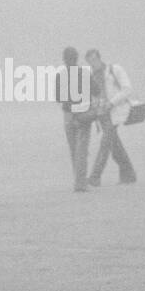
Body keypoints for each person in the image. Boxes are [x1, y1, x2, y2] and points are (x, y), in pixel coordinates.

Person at [85, 48, 137, 185]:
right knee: (115, 145)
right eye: (90, 61)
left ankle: (95, 177)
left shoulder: (115, 70)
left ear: (99, 58)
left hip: (115, 111)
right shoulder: (90, 75)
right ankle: (129, 173)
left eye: (94, 59)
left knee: (105, 143)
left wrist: (111, 103)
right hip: (101, 114)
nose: (93, 63)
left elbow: (127, 89)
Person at [56, 46, 92, 192]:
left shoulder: (61, 75)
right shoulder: (84, 74)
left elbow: (58, 97)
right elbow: (95, 90)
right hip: (83, 114)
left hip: (68, 115)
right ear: (77, 58)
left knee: (74, 150)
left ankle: (77, 180)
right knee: (82, 150)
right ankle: (81, 182)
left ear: (64, 59)